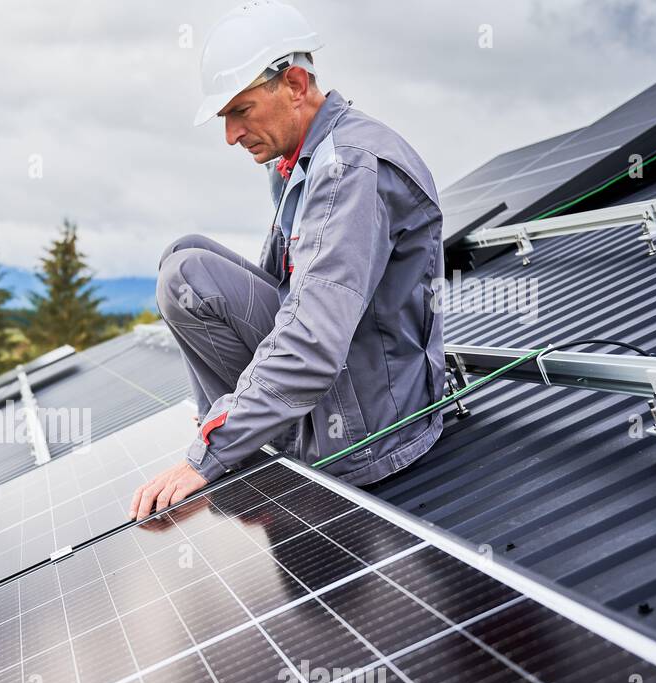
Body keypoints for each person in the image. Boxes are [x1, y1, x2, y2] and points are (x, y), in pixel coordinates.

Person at [131, 0, 444, 520]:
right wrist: (226, 426)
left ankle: (242, 446)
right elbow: (285, 292)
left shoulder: (351, 169)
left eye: (240, 111)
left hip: (369, 432)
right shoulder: (296, 164)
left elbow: (312, 337)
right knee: (184, 258)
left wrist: (208, 454)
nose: (230, 135)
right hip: (344, 386)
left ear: (295, 85)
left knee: (183, 277)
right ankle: (246, 442)